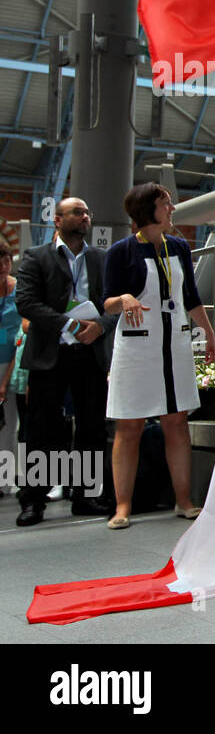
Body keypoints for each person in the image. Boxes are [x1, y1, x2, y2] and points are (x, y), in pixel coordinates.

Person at [103, 183, 215, 529]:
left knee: (176, 421)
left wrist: (209, 334)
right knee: (130, 425)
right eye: (166, 204)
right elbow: (105, 302)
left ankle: (184, 501)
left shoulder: (179, 247)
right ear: (146, 211)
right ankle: (123, 506)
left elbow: (191, 296)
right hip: (137, 349)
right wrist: (123, 299)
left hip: (175, 346)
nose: (172, 209)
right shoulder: (121, 252)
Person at [14, 198, 116, 525]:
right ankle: (33, 500)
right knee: (42, 430)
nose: (85, 217)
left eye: (87, 212)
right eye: (77, 212)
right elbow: (26, 302)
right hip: (50, 354)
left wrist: (99, 325)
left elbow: (113, 306)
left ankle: (85, 497)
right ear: (57, 220)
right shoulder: (36, 257)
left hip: (89, 354)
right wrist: (67, 324)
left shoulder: (101, 258)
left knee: (91, 428)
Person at [0, 244, 20, 487]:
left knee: (8, 423)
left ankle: (4, 480)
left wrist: (5, 380)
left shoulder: (19, 289)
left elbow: (22, 336)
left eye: (6, 261)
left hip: (12, 361)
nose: (4, 267)